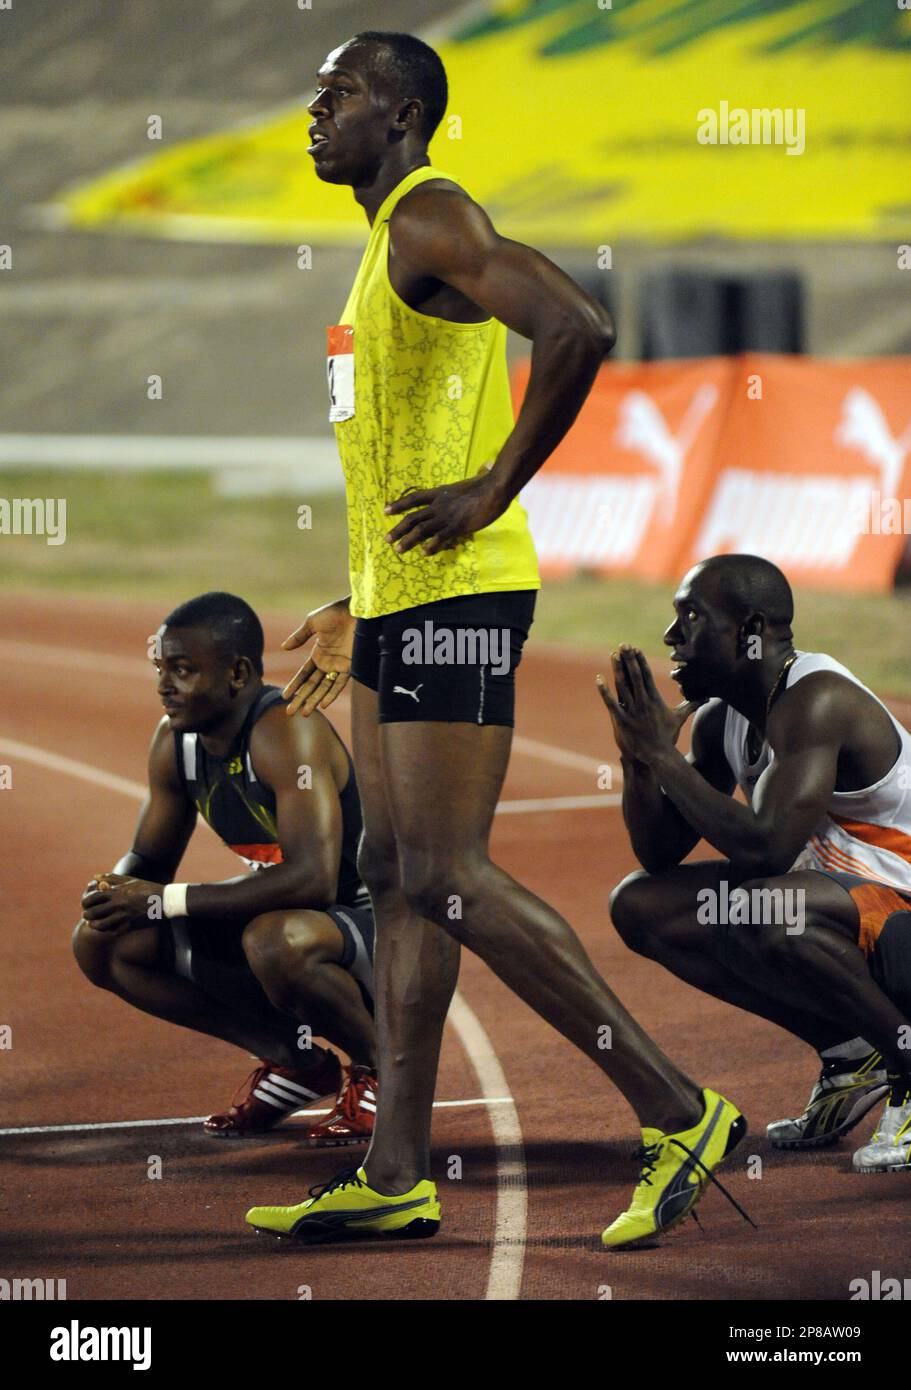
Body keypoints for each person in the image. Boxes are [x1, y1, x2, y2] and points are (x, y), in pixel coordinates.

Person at [244, 31, 747, 1251]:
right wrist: (353, 592)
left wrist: (494, 490)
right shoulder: (382, 248)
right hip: (402, 600)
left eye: (343, 94)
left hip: (460, 599)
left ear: (405, 115)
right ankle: (397, 1168)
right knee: (388, 874)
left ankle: (677, 1106)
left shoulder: (427, 217)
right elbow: (402, 443)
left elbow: (576, 322)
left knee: (445, 875)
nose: (317, 113)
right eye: (315, 93)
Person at [604, 554, 911, 1175]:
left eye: (690, 618)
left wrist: (661, 761)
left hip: (902, 914)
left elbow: (766, 847)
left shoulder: (818, 699)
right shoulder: (724, 719)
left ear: (749, 629)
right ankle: (851, 1055)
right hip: (855, 911)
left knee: (768, 908)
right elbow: (659, 852)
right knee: (643, 906)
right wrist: (641, 760)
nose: (672, 637)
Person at [74, 591, 379, 1147]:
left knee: (274, 940)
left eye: (183, 670)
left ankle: (381, 1068)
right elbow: (149, 862)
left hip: (373, 921)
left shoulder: (287, 731)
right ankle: (294, 1061)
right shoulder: (176, 742)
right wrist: (113, 889)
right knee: (104, 942)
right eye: (160, 668)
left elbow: (313, 880)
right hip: (289, 921)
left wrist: (159, 900)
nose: (164, 685)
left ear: (238, 673)